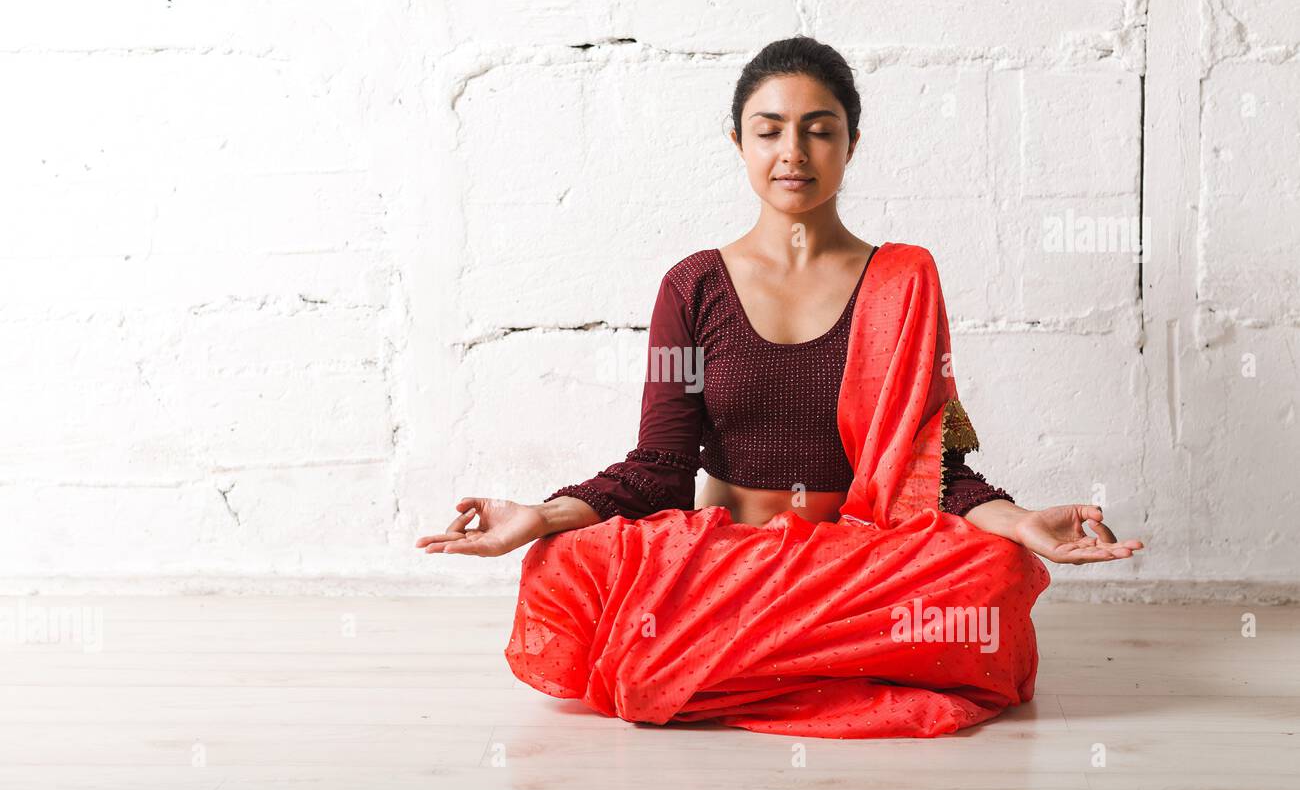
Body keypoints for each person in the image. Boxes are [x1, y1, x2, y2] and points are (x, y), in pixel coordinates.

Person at [417, 36, 1144, 739]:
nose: (792, 153)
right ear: (739, 142)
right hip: (723, 561)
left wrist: (1020, 523)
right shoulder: (693, 286)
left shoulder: (904, 281)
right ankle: (824, 658)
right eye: (769, 131)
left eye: (819, 132)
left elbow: (929, 468)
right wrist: (540, 518)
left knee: (994, 570)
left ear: (851, 144)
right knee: (563, 565)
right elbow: (659, 467)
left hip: (853, 561)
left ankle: (726, 661)